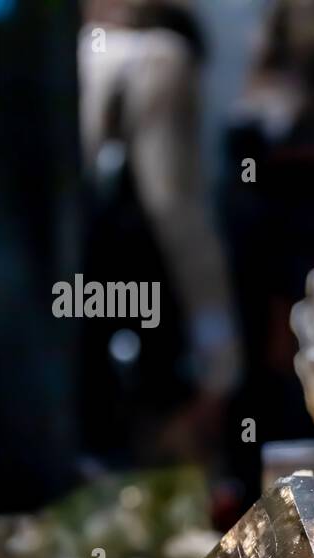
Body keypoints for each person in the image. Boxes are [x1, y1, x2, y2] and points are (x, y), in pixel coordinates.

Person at [78, 0, 241, 468]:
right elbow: (175, 212)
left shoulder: (49, 54)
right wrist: (221, 361)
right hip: (137, 328)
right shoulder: (158, 59)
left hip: (50, 333)